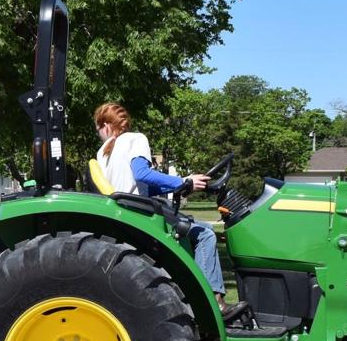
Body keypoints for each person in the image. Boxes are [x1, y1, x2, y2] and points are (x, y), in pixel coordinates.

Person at [94, 102, 241, 314]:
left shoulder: (103, 153)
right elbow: (141, 174)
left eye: (97, 129)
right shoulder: (136, 139)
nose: (99, 133)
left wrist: (182, 185)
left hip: (126, 210)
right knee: (206, 234)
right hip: (140, 214)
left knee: (188, 225)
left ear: (106, 126)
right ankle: (213, 303)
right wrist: (183, 179)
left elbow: (134, 186)